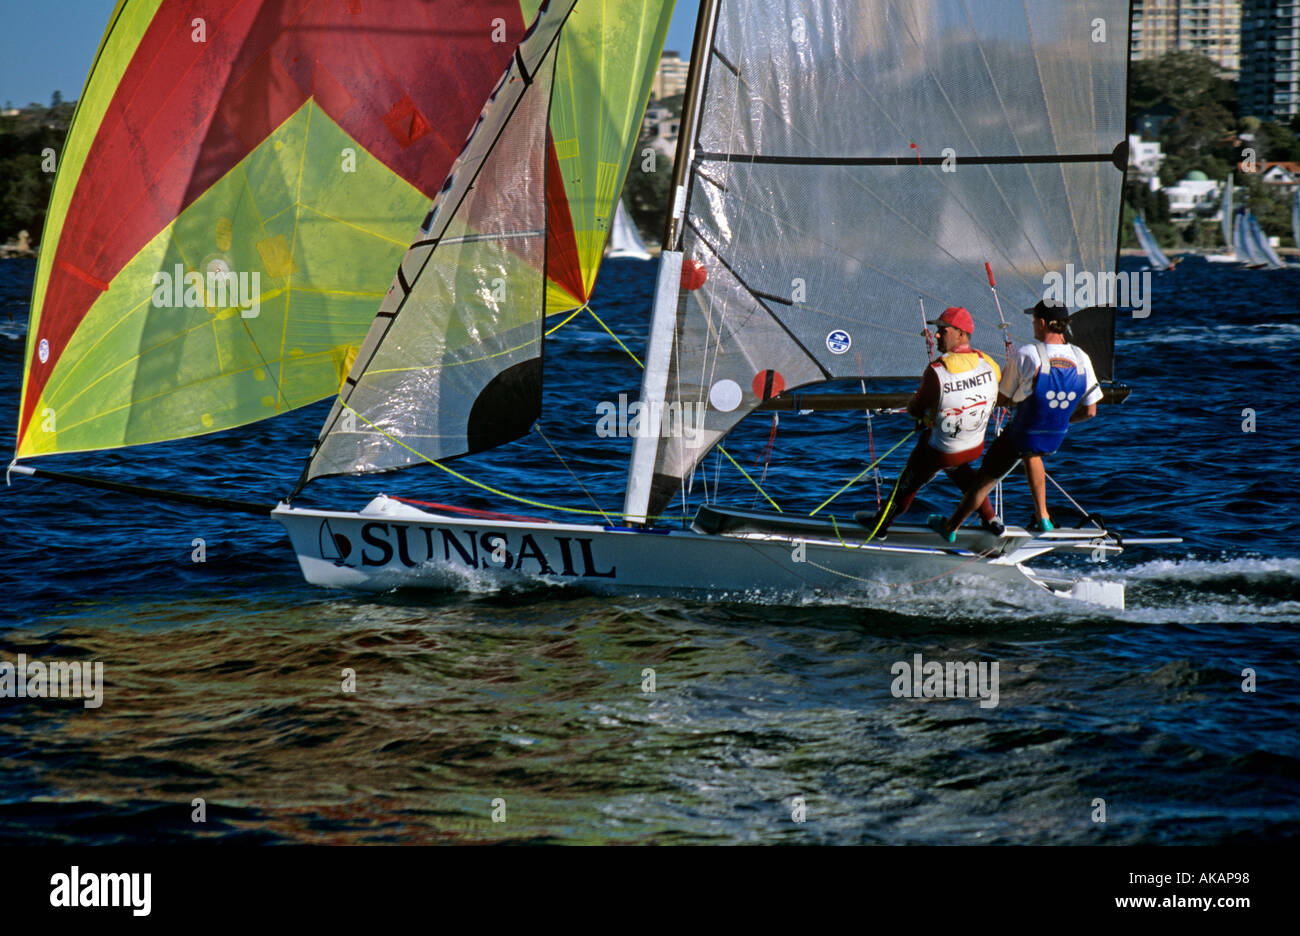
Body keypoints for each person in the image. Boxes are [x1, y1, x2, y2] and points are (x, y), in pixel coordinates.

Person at [927, 298, 1101, 543]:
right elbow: (1090, 411)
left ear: (1041, 323)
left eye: (1033, 321)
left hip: (1022, 433)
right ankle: (1043, 516)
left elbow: (1003, 398)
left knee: (982, 482)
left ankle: (950, 526)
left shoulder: (1029, 354)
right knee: (1033, 451)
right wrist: (1060, 421)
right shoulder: (1081, 356)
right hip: (1054, 436)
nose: (1032, 326)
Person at [855, 306, 1003, 538]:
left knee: (908, 481)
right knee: (959, 468)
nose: (936, 335)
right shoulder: (989, 363)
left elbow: (915, 408)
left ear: (961, 334)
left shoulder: (937, 370)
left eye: (942, 330)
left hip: (943, 450)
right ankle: (992, 521)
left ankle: (881, 525)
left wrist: (924, 415)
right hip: (974, 446)